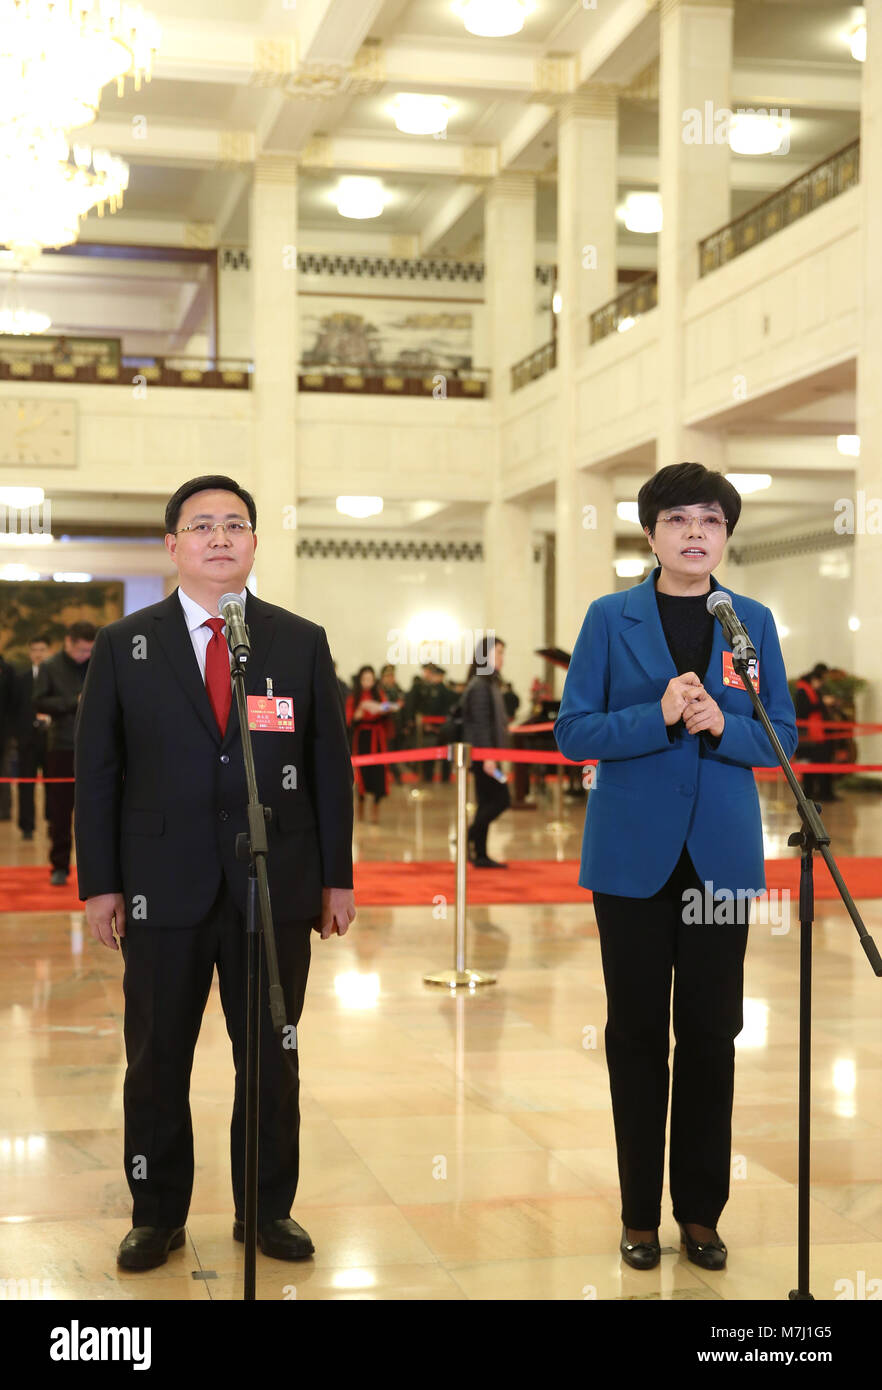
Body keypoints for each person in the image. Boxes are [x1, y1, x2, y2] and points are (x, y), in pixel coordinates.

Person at [74, 473, 355, 1272]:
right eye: (202, 526)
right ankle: (156, 1214)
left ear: (256, 543)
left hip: (276, 884)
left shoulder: (298, 640)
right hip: (161, 884)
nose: (220, 538)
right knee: (157, 1058)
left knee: (272, 1054)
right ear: (173, 546)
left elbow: (327, 768)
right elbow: (97, 775)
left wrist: (338, 876)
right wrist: (101, 883)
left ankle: (266, 1210)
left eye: (236, 524)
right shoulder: (127, 644)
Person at [554, 462, 797, 1273]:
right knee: (634, 1036)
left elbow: (783, 739)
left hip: (721, 864)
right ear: (652, 532)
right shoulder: (608, 617)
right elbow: (574, 732)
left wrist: (723, 723)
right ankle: (636, 1215)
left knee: (712, 1034)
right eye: (679, 519)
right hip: (630, 862)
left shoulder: (750, 621)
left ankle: (700, 1212)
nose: (696, 533)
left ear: (726, 536)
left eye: (712, 521)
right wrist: (655, 716)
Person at [33, 621, 96, 884]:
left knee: (96, 810)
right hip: (61, 745)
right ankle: (59, 865)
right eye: (81, 650)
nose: (86, 656)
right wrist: (74, 702)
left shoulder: (98, 661)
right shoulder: (50, 667)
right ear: (68, 642)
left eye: (89, 651)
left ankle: (95, 869)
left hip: (95, 746)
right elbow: (39, 701)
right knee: (60, 810)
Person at [462, 635, 511, 868]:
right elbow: (480, 724)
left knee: (486, 802)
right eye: (497, 652)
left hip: (489, 754)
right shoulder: (480, 684)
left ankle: (480, 853)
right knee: (501, 799)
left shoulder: (488, 682)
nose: (501, 657)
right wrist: (488, 757)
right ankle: (470, 837)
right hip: (484, 756)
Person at [13, 634, 51, 840]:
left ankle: (52, 821)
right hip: (27, 739)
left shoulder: (56, 676)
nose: (38, 654)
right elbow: (14, 708)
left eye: (42, 650)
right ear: (30, 653)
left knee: (53, 783)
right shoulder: (22, 679)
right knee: (25, 783)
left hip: (52, 739)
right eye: (34, 650)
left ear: (49, 651)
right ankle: (27, 826)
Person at [346, 665, 393, 822]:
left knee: (378, 773)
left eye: (371, 679)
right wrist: (357, 716)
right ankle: (360, 811)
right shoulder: (355, 697)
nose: (368, 682)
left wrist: (384, 709)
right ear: (360, 680)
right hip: (362, 738)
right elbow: (348, 719)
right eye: (365, 679)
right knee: (362, 773)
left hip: (377, 737)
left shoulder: (379, 694)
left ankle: (375, 812)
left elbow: (387, 706)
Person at [793, 663, 835, 803]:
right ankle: (808, 795)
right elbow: (802, 711)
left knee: (821, 763)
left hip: (819, 735)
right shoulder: (802, 692)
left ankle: (823, 793)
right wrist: (822, 703)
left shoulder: (814, 691)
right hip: (808, 735)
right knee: (809, 767)